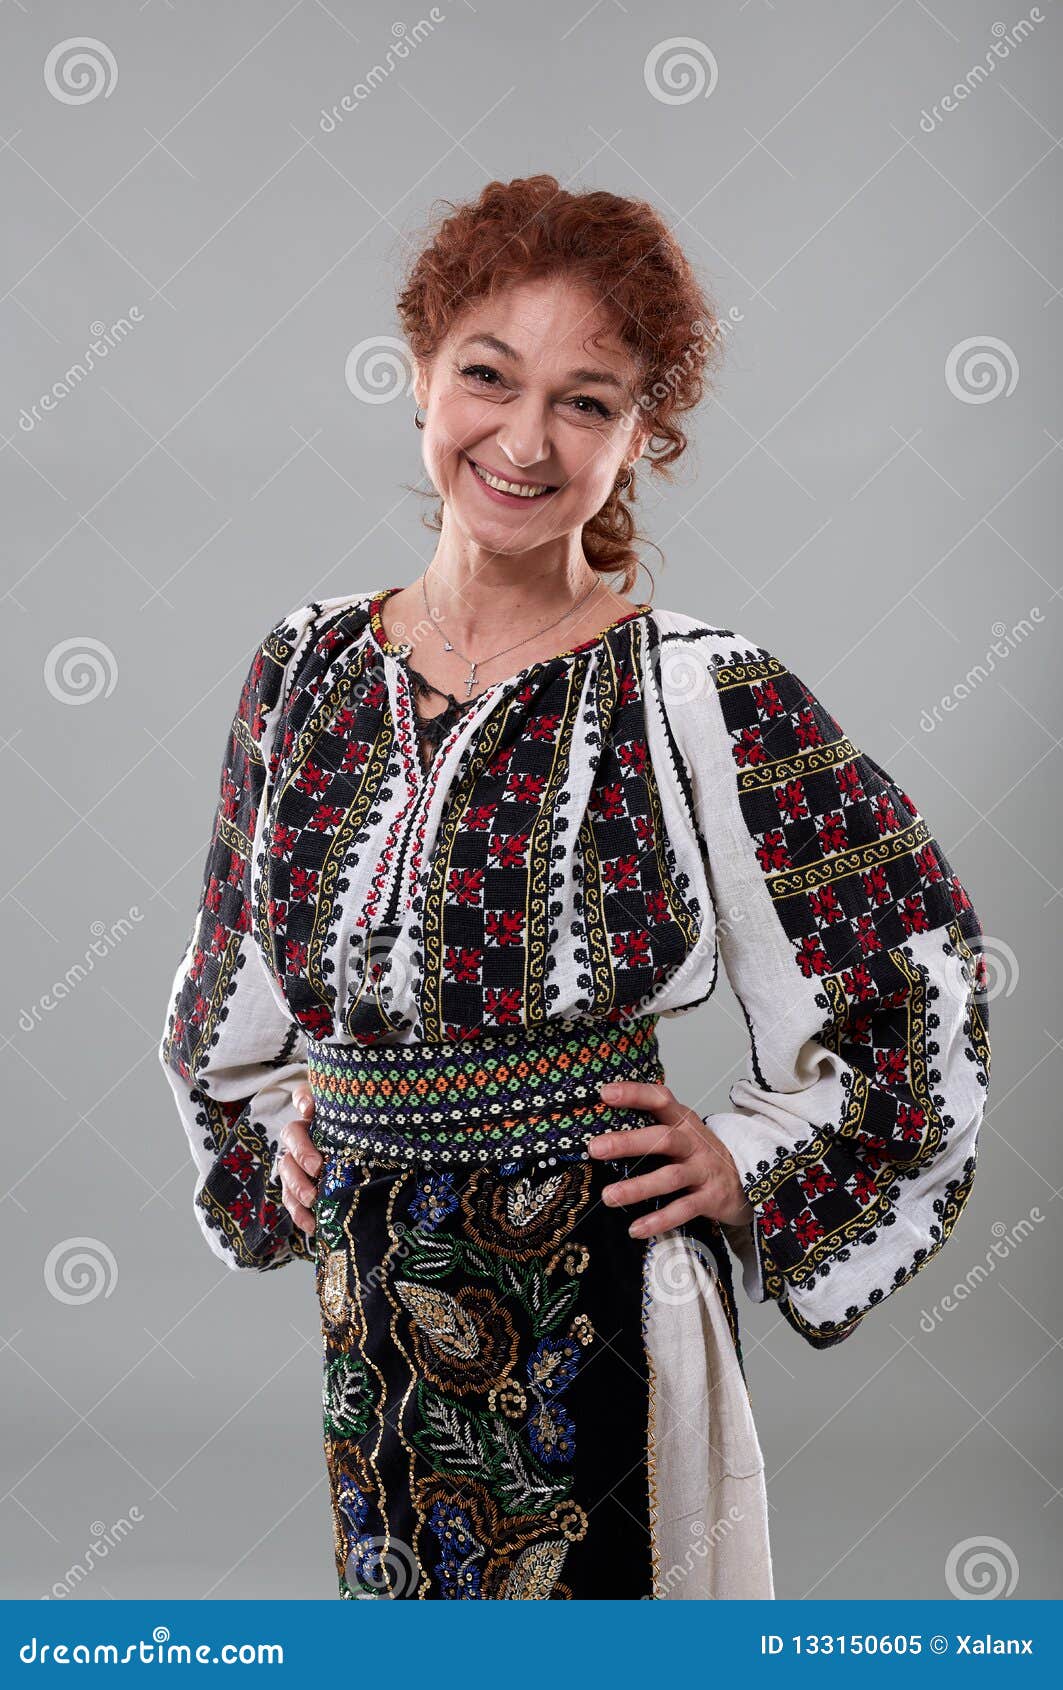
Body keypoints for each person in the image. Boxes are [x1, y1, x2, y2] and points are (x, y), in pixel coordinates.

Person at [158, 175, 991, 1601]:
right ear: (420, 375)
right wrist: (285, 1132)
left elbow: (914, 978)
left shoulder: (694, 691)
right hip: (375, 1322)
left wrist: (752, 1162)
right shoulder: (305, 671)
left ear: (641, 434)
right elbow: (225, 988)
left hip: (603, 1300)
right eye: (489, 376)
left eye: (587, 401)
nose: (526, 439)